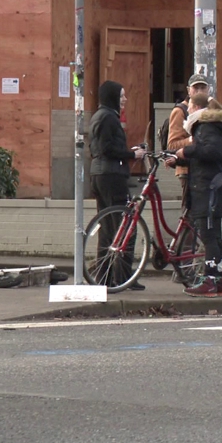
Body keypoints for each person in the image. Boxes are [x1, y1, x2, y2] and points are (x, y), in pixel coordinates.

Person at [171, 93, 222, 297]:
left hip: (209, 188)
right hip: (212, 186)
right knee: (214, 234)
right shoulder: (210, 126)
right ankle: (220, 281)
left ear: (194, 107)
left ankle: (209, 280)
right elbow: (205, 159)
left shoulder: (205, 126)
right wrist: (179, 161)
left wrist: (187, 152)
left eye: (189, 106)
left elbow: (212, 152)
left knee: (209, 234)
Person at [89, 80, 147, 290]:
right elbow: (107, 148)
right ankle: (123, 277)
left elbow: (101, 147)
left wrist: (127, 151)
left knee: (107, 228)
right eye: (121, 96)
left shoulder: (98, 116)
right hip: (112, 176)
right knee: (125, 225)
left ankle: (104, 277)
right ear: (112, 97)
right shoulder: (108, 118)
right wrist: (132, 154)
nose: (125, 100)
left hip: (98, 174)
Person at [166, 74, 212, 203]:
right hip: (187, 170)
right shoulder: (180, 111)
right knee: (190, 211)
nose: (199, 92)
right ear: (188, 90)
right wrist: (193, 139)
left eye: (202, 88)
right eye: (195, 88)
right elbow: (172, 145)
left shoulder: (210, 110)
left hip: (204, 169)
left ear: (208, 89)